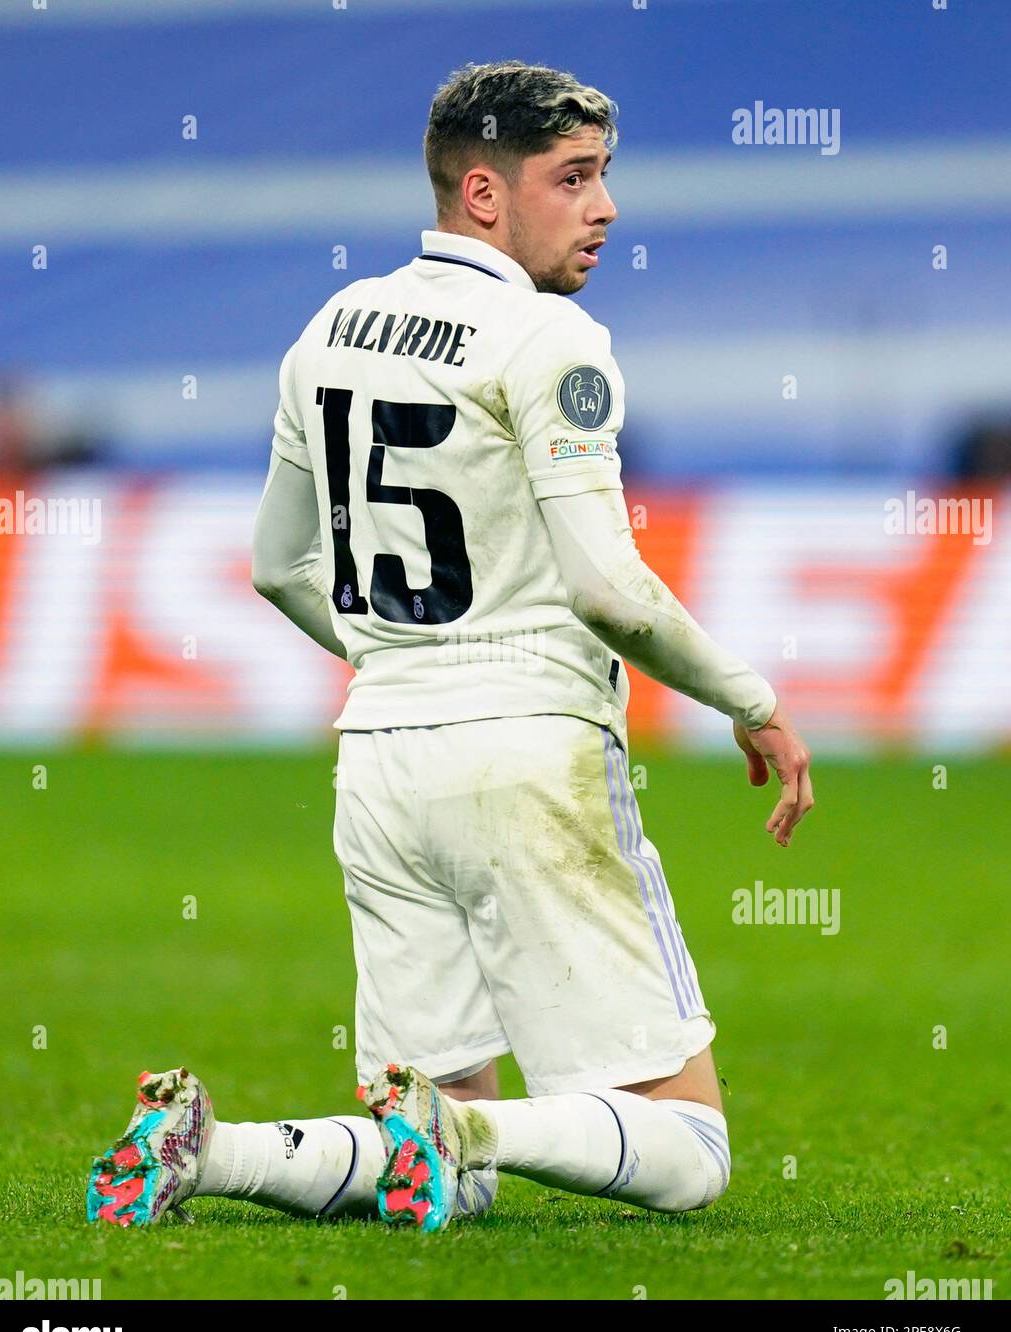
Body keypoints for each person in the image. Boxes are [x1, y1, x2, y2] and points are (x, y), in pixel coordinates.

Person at [87, 60, 813, 1233]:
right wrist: (750, 699)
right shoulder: (549, 337)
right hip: (528, 753)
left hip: (380, 762)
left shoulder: (328, 328)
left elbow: (275, 564)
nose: (604, 208)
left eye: (603, 177)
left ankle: (208, 1153)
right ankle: (470, 1126)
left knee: (438, 1171)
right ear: (483, 193)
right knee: (690, 1151)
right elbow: (608, 592)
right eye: (571, 178)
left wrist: (401, 662)